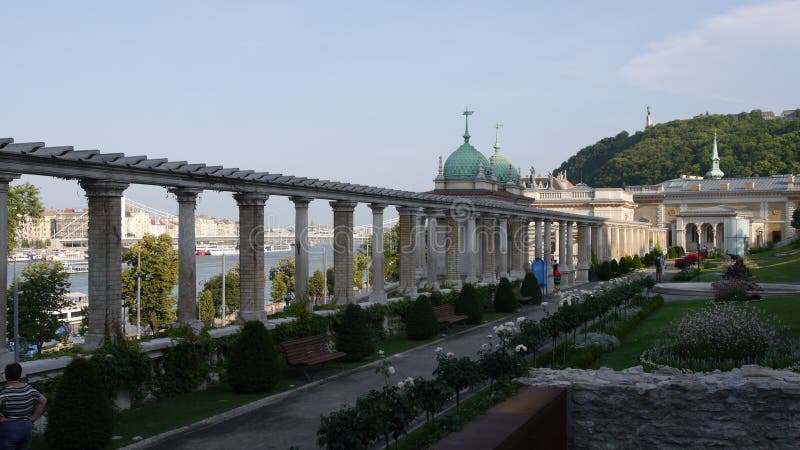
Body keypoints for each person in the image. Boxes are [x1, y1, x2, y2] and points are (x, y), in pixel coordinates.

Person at [0, 363, 46, 450]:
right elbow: (43, 400)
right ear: (20, 374)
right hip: (26, 427)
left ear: (6, 375)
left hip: (10, 427)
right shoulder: (28, 389)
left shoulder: (4, 393)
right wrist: (34, 417)